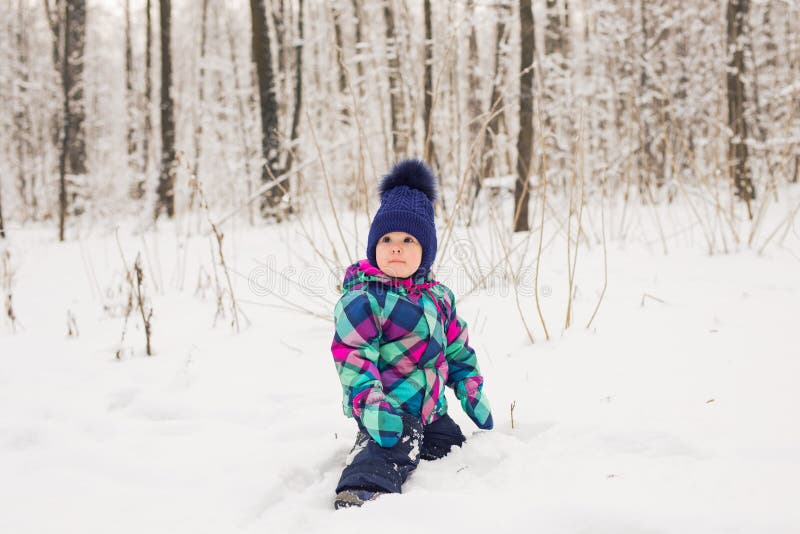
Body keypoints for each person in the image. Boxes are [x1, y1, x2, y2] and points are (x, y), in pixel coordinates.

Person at [330, 159, 493, 510]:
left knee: (453, 450)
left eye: (408, 239)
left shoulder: (440, 297)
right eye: (386, 239)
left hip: (432, 410)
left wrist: (469, 387)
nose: (396, 247)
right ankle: (361, 487)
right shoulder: (364, 298)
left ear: (426, 250)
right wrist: (371, 406)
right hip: (388, 409)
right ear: (374, 245)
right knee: (388, 450)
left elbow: (457, 350)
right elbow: (354, 358)